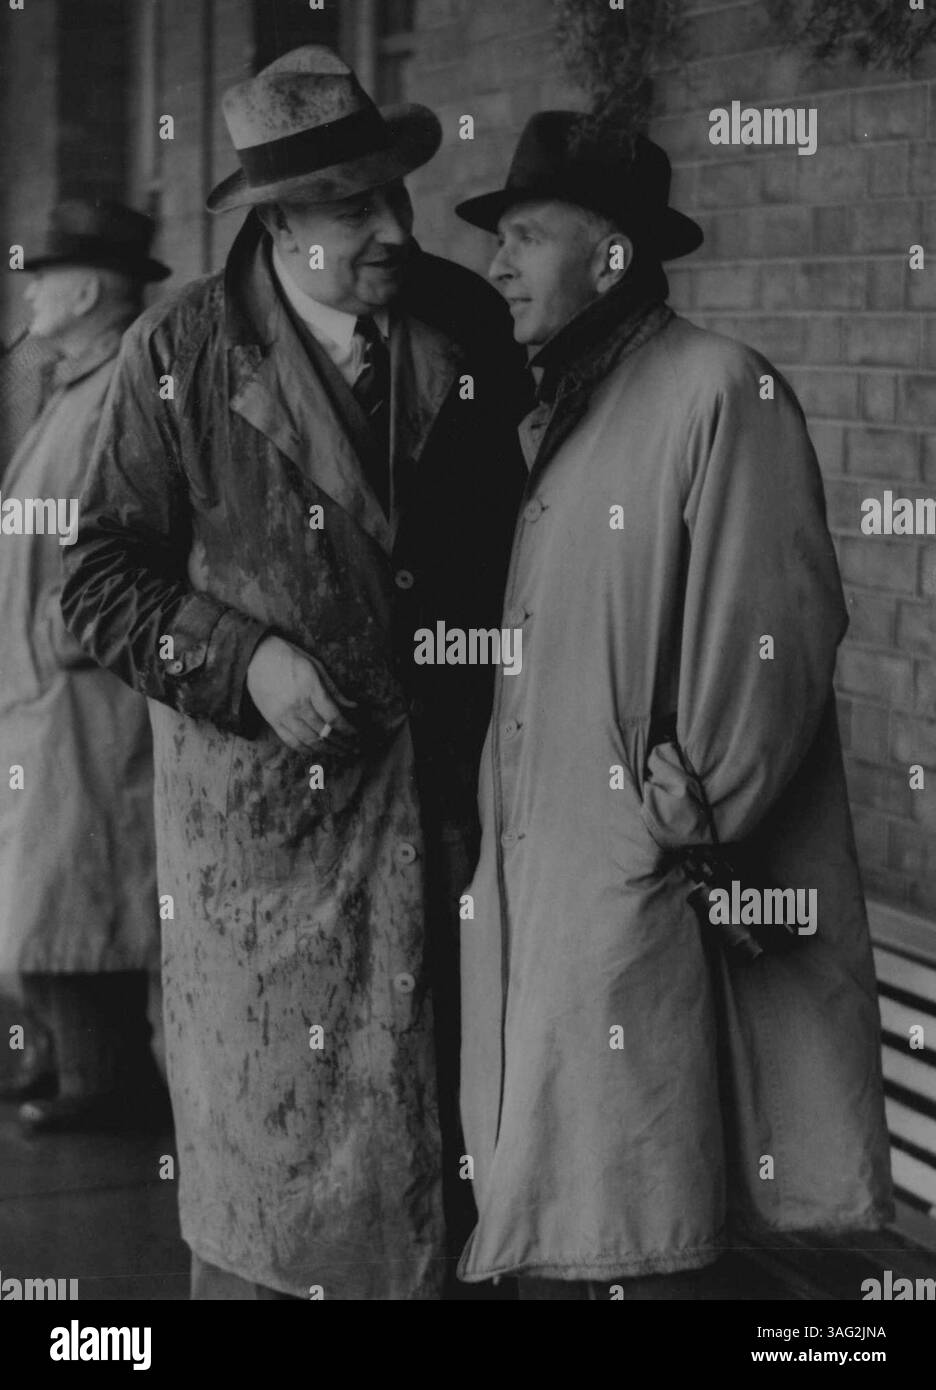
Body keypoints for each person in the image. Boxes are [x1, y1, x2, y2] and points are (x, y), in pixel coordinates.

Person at [61, 46, 525, 1300]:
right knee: (273, 1223)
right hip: (261, 876)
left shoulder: (467, 325)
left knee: (448, 1196)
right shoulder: (180, 355)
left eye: (396, 195)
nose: (390, 227)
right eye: (350, 207)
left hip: (444, 838)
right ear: (279, 223)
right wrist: (246, 658)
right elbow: (98, 586)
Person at [452, 111, 894, 1300]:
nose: (498, 265)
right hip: (577, 890)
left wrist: (683, 818)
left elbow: (774, 638)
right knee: (600, 1218)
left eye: (526, 236)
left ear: (610, 256)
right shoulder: (567, 407)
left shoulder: (718, 387)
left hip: (652, 892)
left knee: (653, 1230)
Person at [0, 199, 167, 1131]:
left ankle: (102, 1080)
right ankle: (67, 1058)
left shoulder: (114, 389)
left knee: (81, 885)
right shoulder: (73, 382)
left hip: (80, 684)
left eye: (42, 273)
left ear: (91, 288)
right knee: (45, 880)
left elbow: (124, 533)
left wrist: (63, 636)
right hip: (44, 685)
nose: (28, 287)